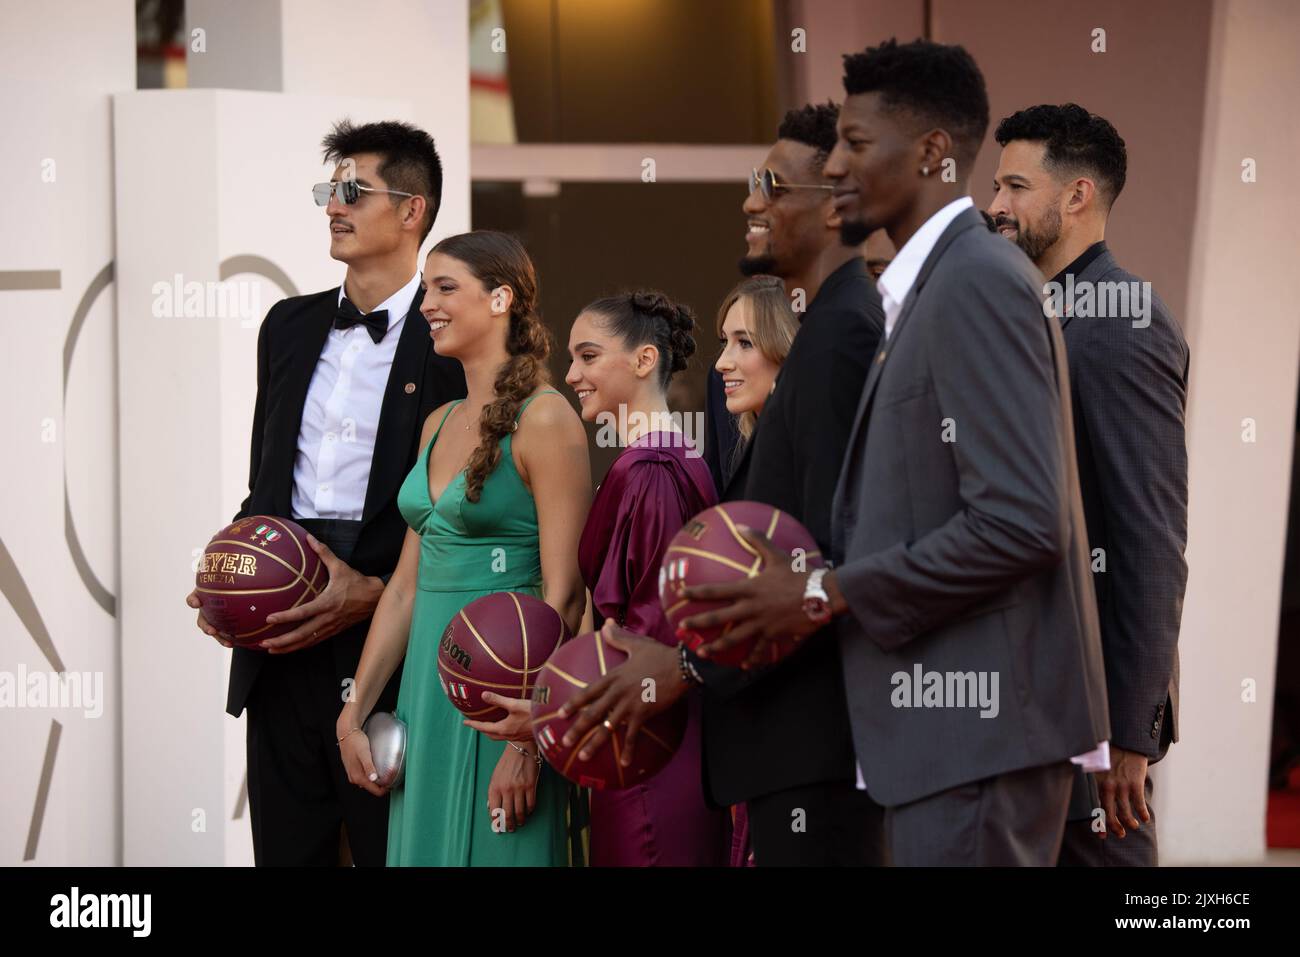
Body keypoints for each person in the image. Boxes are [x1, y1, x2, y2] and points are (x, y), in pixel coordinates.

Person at [557, 102, 889, 867]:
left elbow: (833, 558)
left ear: (835, 196)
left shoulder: (840, 335)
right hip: (774, 751)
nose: (750, 200)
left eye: (771, 184)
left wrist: (684, 665)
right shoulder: (825, 337)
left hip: (813, 750)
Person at [187, 119, 465, 866]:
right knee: (286, 849)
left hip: (391, 632)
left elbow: (460, 517)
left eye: (353, 191)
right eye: (329, 191)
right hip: (277, 634)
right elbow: (264, 486)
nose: (333, 207)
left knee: (389, 848)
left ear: (412, 210)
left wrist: (374, 590)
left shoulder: (450, 339)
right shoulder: (287, 324)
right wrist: (228, 576)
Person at [336, 230, 590, 866]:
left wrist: (528, 739)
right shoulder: (438, 421)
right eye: (426, 289)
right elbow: (404, 588)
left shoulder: (547, 418)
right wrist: (354, 712)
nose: (427, 304)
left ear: (501, 299)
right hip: (427, 691)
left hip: (507, 705)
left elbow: (566, 593)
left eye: (446, 287)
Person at [989, 104, 1189, 866]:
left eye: (1014, 185)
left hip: (1094, 735)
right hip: (1032, 716)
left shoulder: (1120, 318)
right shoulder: (1042, 310)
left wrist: (1132, 733)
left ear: (1076, 196)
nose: (996, 205)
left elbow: (1151, 536)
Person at [563, 289, 728, 866]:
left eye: (587, 357)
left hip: (650, 746)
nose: (571, 374)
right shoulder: (656, 461)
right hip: (643, 734)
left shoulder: (652, 471)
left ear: (644, 360)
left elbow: (652, 639)